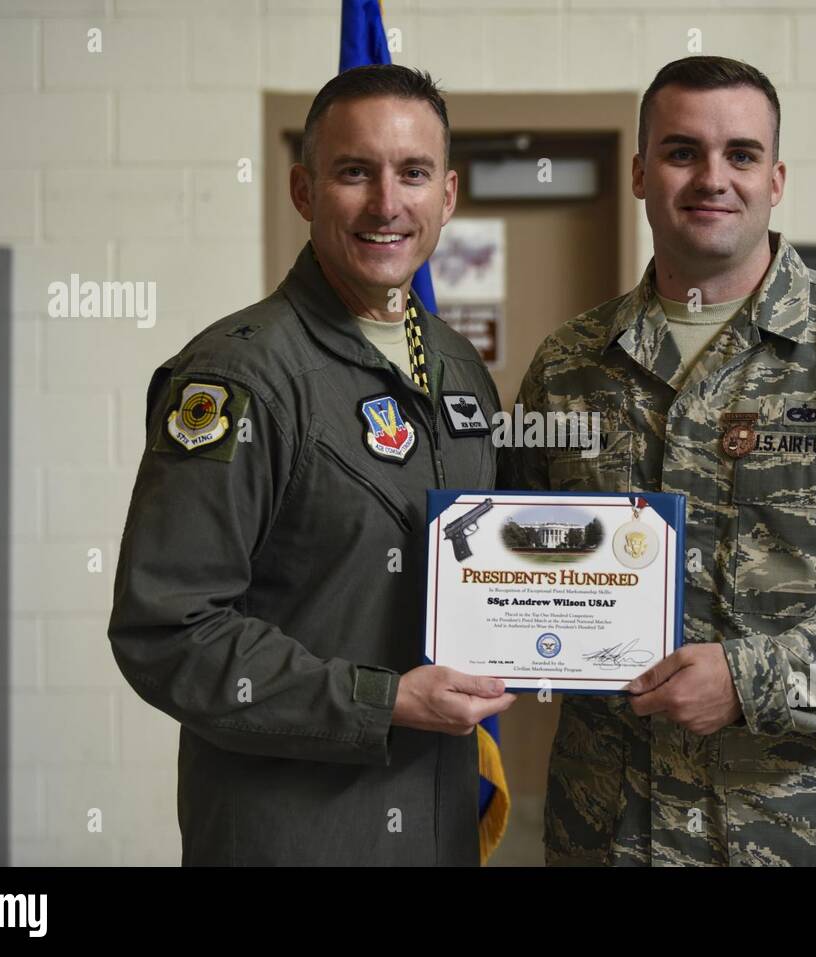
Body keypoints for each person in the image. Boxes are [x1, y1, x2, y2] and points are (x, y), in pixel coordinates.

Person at [499, 56, 816, 866]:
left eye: (739, 154)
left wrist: (757, 678)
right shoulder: (570, 364)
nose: (712, 178)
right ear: (639, 172)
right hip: (613, 831)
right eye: (681, 152)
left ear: (776, 178)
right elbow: (513, 547)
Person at [108, 64, 514, 866]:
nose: (387, 203)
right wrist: (381, 700)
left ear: (449, 196)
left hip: (436, 827)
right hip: (293, 835)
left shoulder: (461, 367)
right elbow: (168, 630)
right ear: (304, 190)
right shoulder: (238, 377)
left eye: (413, 173)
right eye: (355, 171)